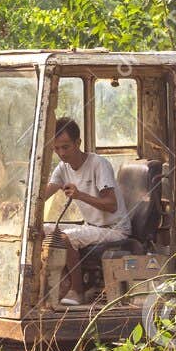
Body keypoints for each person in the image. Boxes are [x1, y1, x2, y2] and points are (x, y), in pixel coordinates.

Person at [41, 117, 129, 305]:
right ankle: (48, 286)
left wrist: (80, 195)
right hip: (92, 226)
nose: (61, 153)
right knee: (42, 229)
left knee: (66, 237)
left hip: (114, 229)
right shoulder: (62, 168)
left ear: (78, 143)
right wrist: (21, 204)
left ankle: (77, 291)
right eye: (56, 149)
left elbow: (111, 205)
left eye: (65, 147)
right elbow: (44, 195)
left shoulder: (99, 164)